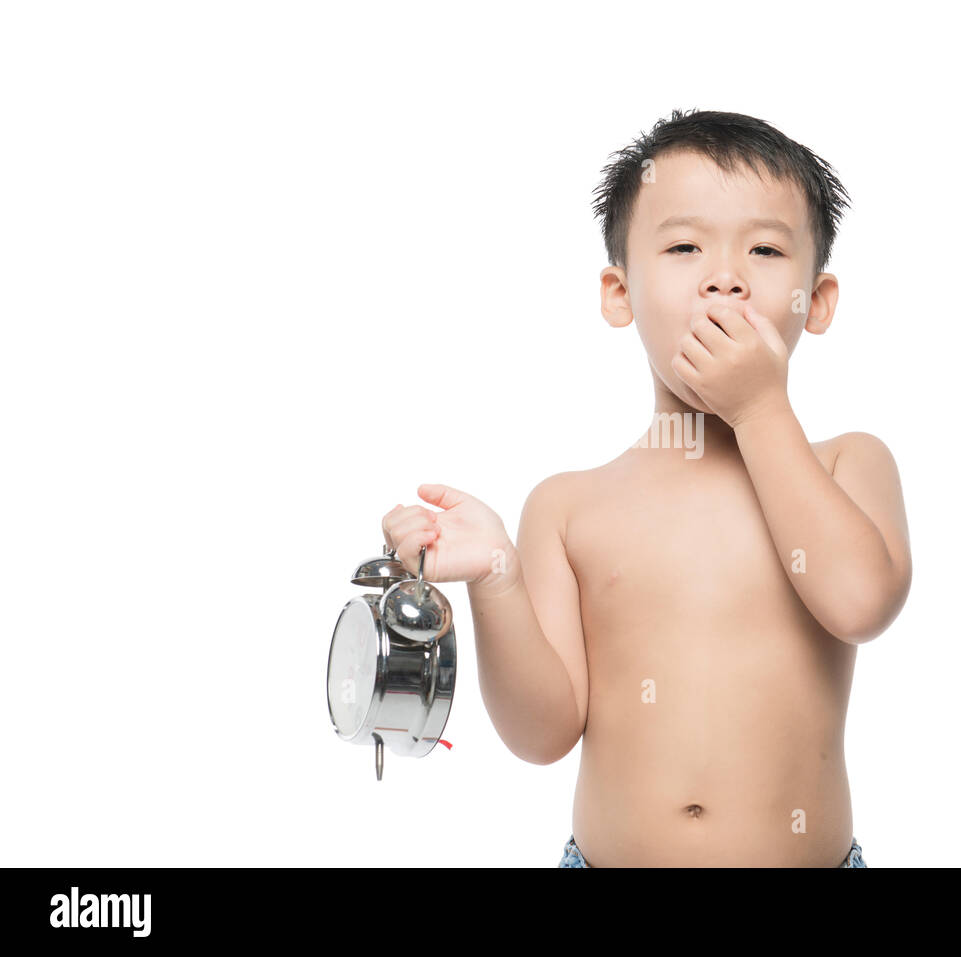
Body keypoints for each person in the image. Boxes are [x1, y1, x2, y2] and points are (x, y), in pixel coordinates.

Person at [381, 109, 911, 867]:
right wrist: (496, 577)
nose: (724, 275)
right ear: (618, 292)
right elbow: (543, 733)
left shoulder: (847, 464)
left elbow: (861, 600)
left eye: (763, 248)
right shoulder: (568, 506)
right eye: (685, 245)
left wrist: (760, 407)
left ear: (816, 302)